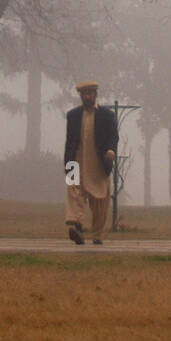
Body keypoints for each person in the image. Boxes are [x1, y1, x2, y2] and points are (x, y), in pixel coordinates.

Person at [64, 81, 117, 245]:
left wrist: (111, 150)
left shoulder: (107, 115)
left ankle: (97, 235)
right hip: (75, 161)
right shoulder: (72, 115)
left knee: (100, 200)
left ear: (95, 94)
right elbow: (69, 141)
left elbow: (113, 137)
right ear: (81, 96)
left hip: (99, 162)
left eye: (90, 93)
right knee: (73, 193)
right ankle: (77, 226)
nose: (87, 96)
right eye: (84, 94)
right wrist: (67, 163)